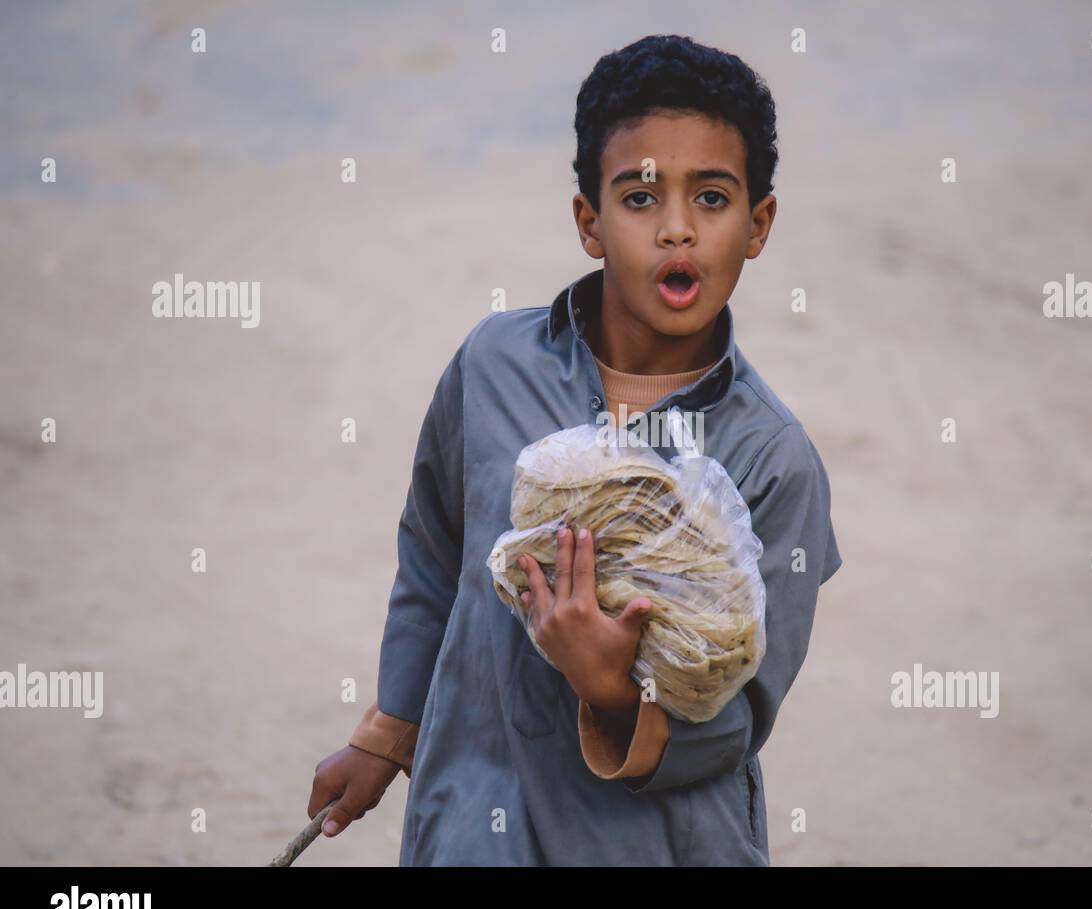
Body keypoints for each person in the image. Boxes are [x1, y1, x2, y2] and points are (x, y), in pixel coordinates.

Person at [308, 33, 842, 865]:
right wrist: (387, 732)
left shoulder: (774, 462)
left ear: (758, 223)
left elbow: (739, 721)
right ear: (589, 222)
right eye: (639, 198)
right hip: (474, 832)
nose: (676, 230)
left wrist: (609, 689)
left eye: (711, 198)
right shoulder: (494, 367)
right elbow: (435, 556)